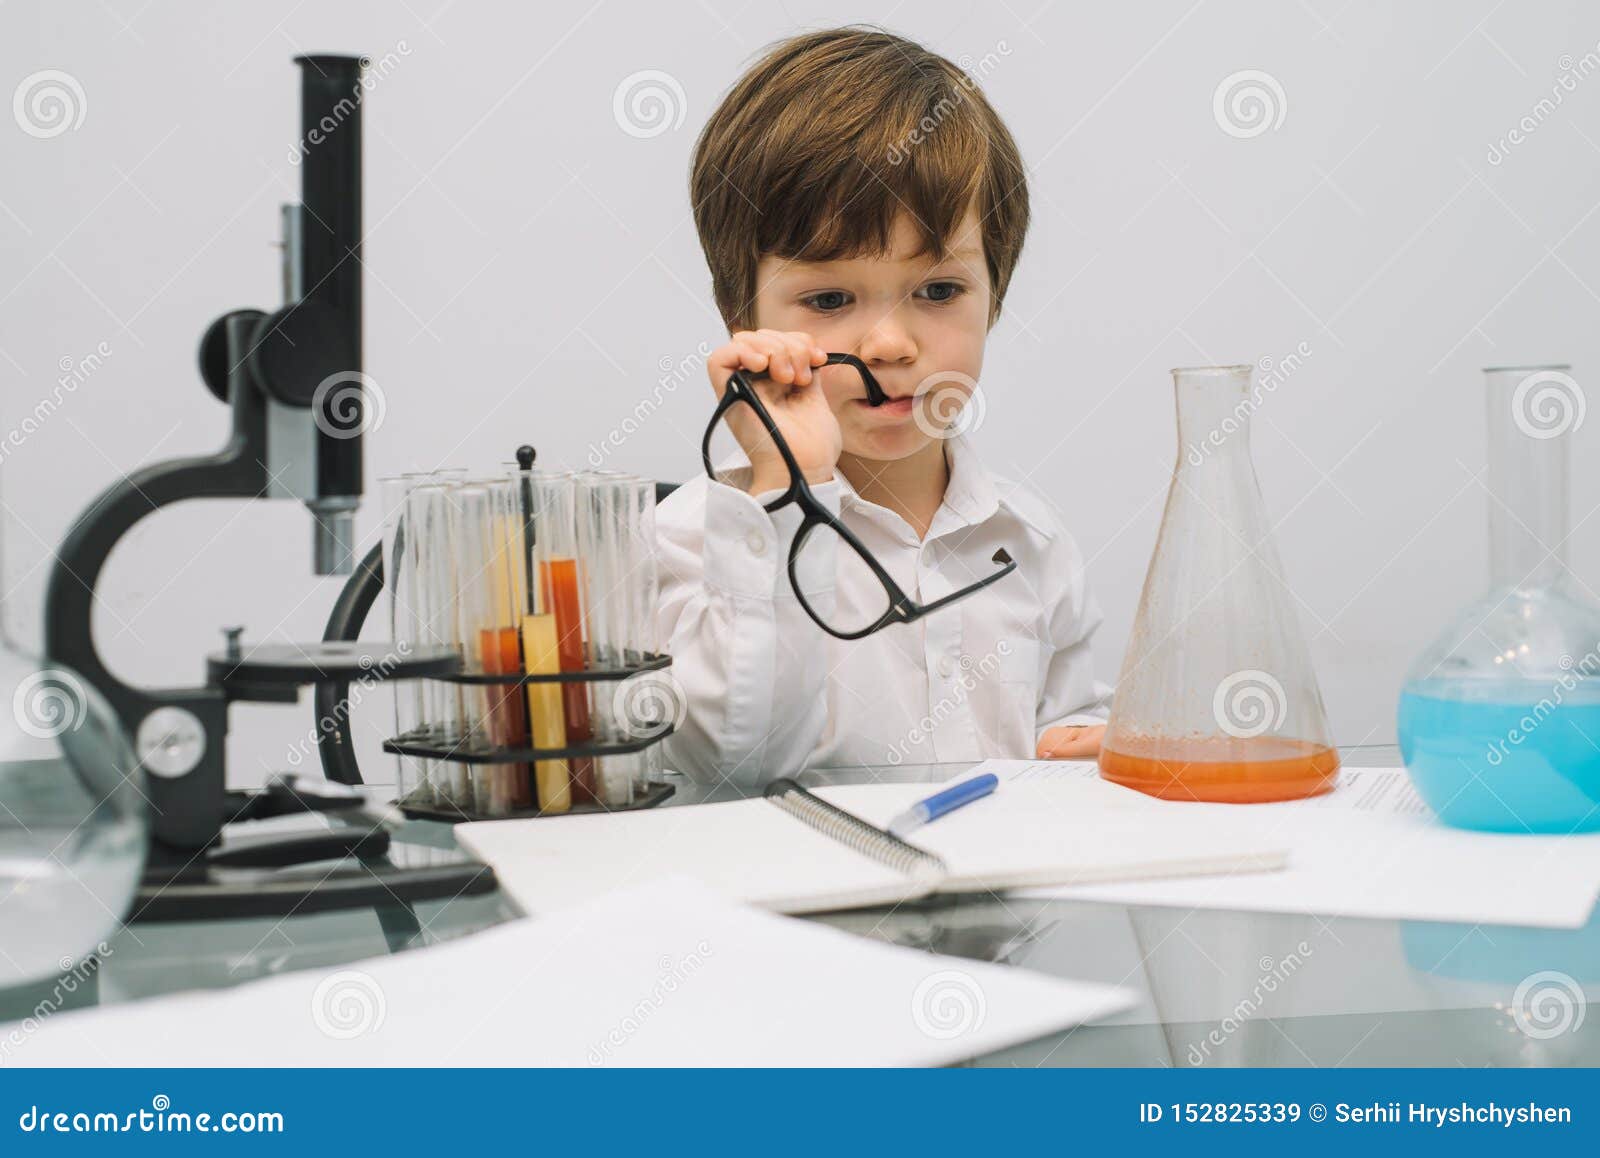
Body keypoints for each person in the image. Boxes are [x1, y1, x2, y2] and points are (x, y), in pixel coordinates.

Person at [657, 26, 1113, 786]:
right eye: (829, 298)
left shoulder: (1031, 543)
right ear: (743, 317)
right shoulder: (693, 542)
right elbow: (728, 767)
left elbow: (1063, 732)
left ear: (993, 296)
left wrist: (1091, 752)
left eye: (939, 291)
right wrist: (786, 486)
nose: (891, 345)